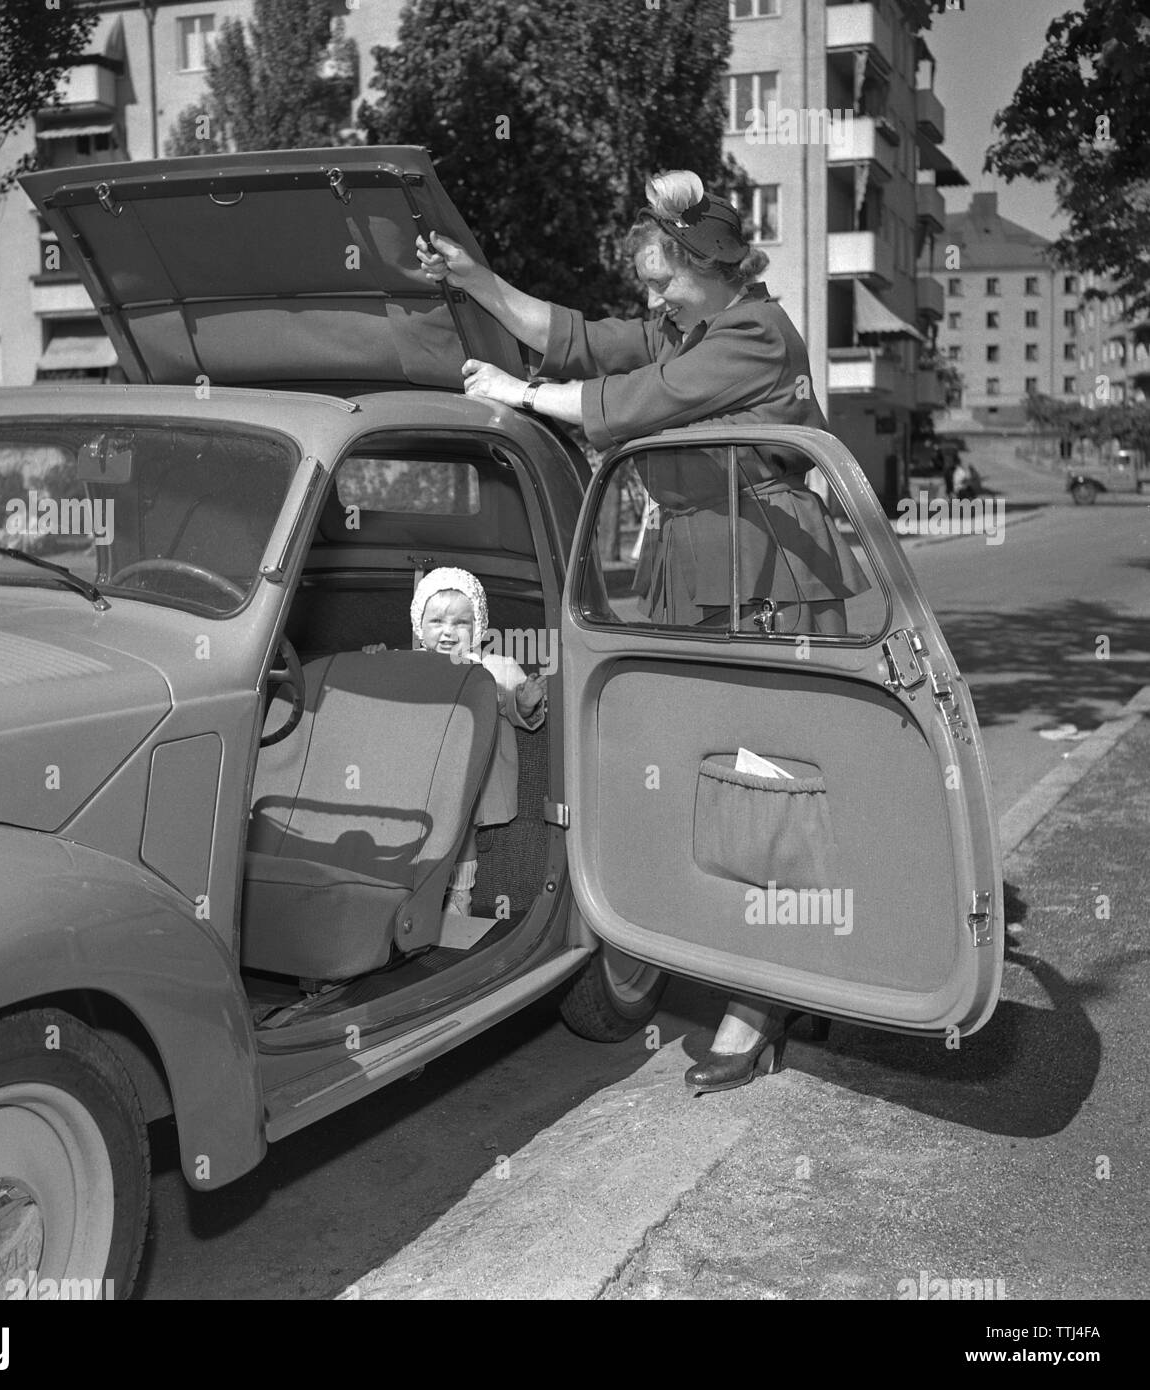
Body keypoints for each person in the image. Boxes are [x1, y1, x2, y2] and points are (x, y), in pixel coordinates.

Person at [417, 169, 860, 1093]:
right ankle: (715, 944)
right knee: (693, 764)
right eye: (650, 287)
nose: (650, 300)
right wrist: (474, 281)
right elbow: (574, 336)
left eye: (664, 281)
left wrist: (520, 392)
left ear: (711, 266)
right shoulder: (685, 323)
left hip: (765, 562)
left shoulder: (754, 332)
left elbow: (637, 402)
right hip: (697, 561)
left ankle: (766, 992)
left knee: (761, 773)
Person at [364, 566, 546, 916]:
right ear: (420, 626)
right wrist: (376, 661)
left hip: (473, 776)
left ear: (478, 626)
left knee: (462, 838)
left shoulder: (498, 667)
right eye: (436, 622)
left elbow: (513, 706)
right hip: (422, 775)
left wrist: (524, 702)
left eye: (460, 623)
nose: (447, 632)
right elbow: (383, 692)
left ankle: (458, 898)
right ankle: (413, 896)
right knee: (416, 836)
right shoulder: (409, 663)